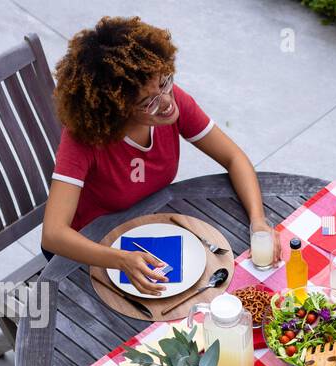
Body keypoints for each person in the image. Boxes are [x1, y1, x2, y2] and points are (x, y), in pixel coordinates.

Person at [41, 16, 269, 293]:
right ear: (116, 109)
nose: (166, 103)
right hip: (89, 249)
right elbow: (53, 234)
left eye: (164, 82)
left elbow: (234, 158)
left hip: (144, 231)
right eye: (147, 102)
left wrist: (258, 221)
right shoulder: (84, 139)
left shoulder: (172, 102)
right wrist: (121, 260)